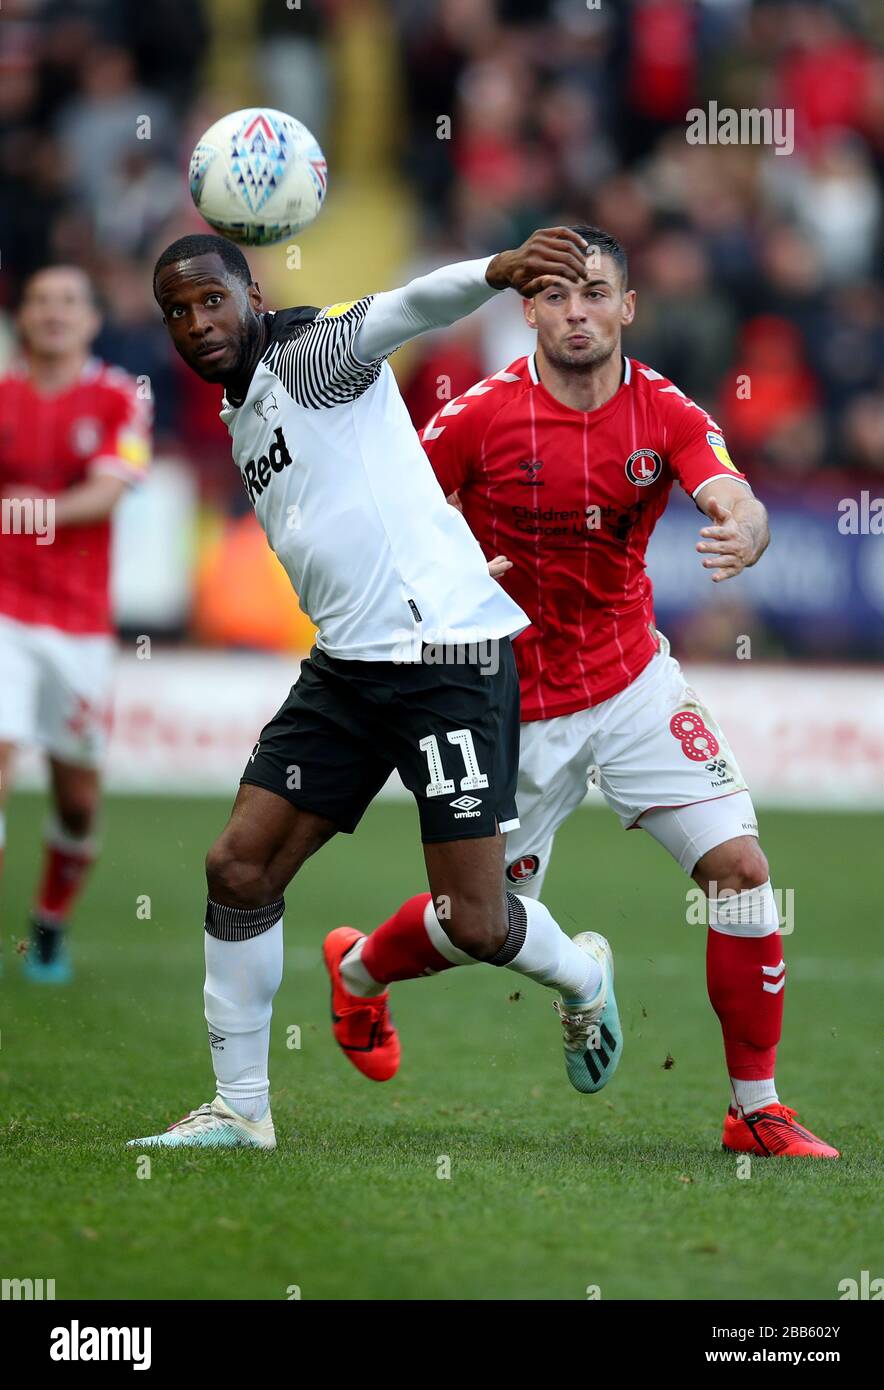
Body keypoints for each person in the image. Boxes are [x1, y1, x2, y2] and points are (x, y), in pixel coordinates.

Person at [128, 227, 623, 1151]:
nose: (197, 323)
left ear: (253, 297)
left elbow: (399, 312)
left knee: (476, 923)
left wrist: (495, 272)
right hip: (348, 666)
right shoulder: (241, 409)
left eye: (212, 301)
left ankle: (584, 976)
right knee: (238, 868)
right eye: (178, 312)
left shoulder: (308, 356)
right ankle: (241, 1110)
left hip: (446, 660)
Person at [358, 226, 838, 1160]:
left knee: (740, 869)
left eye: (596, 294)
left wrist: (747, 529)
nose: (576, 311)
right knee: (474, 924)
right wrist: (447, 565)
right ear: (528, 310)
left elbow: (734, 493)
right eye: (556, 296)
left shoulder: (664, 410)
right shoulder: (477, 417)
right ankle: (361, 969)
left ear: (627, 307)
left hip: (631, 683)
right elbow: (393, 525)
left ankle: (755, 1107)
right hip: (510, 706)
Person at [0, 266, 151, 982]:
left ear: (92, 320)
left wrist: (26, 509)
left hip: (79, 624)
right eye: (39, 299)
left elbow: (105, 495)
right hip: (5, 609)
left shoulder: (119, 396)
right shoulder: (2, 395)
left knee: (78, 799)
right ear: (23, 317)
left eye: (68, 300)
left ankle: (50, 920)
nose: (52, 311)